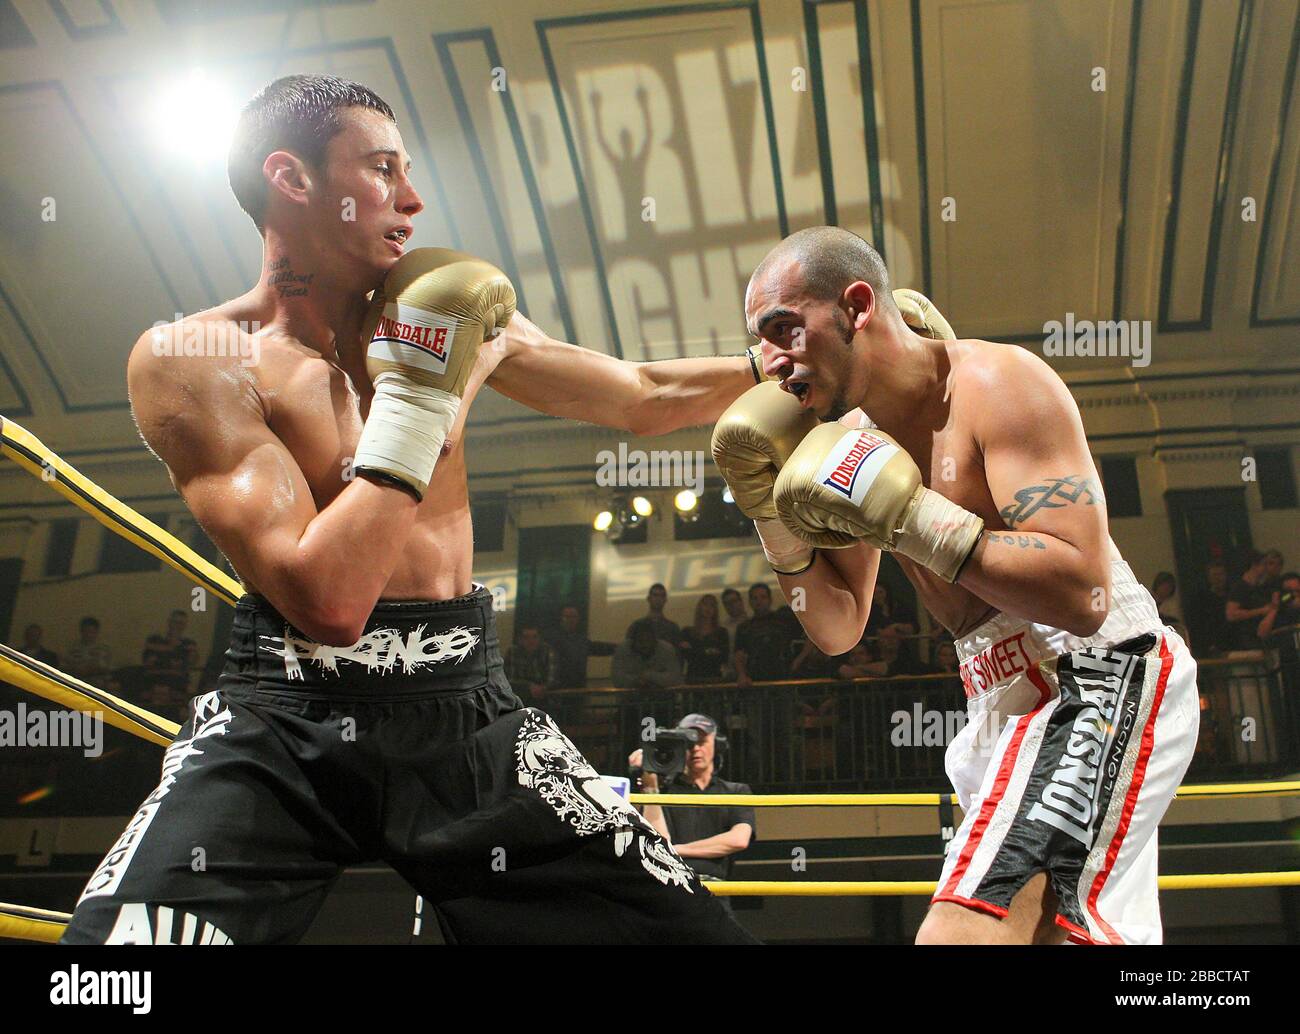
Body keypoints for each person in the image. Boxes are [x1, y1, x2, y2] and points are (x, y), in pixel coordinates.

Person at [61, 74, 758, 945]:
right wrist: (430, 400)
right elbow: (328, 601)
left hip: (465, 708)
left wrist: (796, 365)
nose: (414, 198)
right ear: (293, 177)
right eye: (384, 168)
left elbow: (642, 395)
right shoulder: (197, 358)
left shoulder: (451, 311)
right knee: (107, 976)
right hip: (285, 713)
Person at [713, 225, 1199, 944]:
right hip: (993, 701)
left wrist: (912, 517)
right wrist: (768, 514)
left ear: (856, 306)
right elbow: (839, 626)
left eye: (785, 329)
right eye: (762, 342)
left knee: (962, 933)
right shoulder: (852, 442)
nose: (772, 362)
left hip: (1091, 674)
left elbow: (1084, 595)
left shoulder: (995, 383)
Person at [630, 714, 755, 908]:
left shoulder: (736, 791)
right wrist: (650, 787)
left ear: (717, 744)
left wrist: (676, 850)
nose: (696, 748)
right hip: (672, 887)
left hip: (715, 891)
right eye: (687, 743)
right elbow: (659, 844)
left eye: (702, 741)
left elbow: (739, 839)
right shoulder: (662, 792)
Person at [732, 583, 799, 687]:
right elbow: (738, 654)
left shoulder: (784, 620)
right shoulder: (744, 627)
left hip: (784, 677)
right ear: (750, 602)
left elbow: (812, 634)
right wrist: (742, 675)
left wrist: (799, 661)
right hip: (755, 679)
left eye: (763, 597)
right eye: (755, 598)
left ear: (770, 599)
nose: (759, 601)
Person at [549, 603, 614, 689]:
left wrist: (619, 648)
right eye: (567, 617)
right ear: (561, 618)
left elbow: (596, 648)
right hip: (558, 687)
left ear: (578, 619)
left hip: (579, 685)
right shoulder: (552, 639)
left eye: (574, 617)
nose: (571, 620)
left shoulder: (581, 639)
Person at [141, 609, 200, 697]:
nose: (178, 626)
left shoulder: (189, 643)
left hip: (177, 681)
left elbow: (190, 664)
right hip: (154, 679)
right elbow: (148, 662)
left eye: (181, 623)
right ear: (169, 622)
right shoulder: (155, 640)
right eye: (175, 622)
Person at [612, 619, 683, 690]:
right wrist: (642, 679)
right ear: (632, 640)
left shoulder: (667, 649)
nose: (645, 645)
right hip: (630, 698)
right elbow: (617, 680)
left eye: (648, 640)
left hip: (662, 697)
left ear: (655, 639)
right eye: (641, 641)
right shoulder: (623, 649)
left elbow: (675, 679)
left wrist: (646, 676)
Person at [1226, 552, 1273, 651]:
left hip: (1258, 639)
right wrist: (1261, 611)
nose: (1267, 568)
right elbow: (1231, 614)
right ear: (1254, 565)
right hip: (1245, 641)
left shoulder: (1260, 588)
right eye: (1264, 564)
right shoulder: (1240, 588)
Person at [678, 594, 729, 682]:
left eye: (712, 605)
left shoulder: (721, 633)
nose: (708, 608)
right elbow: (686, 656)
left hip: (715, 679)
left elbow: (723, 657)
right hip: (692, 679)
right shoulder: (687, 632)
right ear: (699, 607)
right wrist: (709, 651)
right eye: (705, 604)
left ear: (715, 610)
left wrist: (694, 650)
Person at [1187, 558, 1233, 657]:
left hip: (1232, 642)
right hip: (1209, 647)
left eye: (1221, 574)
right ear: (1209, 577)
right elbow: (1198, 625)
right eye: (1215, 575)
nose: (1218, 578)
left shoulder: (1233, 597)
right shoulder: (1201, 600)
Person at [503, 623, 555, 703]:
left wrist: (543, 688)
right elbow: (509, 678)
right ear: (520, 639)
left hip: (544, 696)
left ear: (539, 638)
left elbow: (552, 677)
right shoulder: (513, 652)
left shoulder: (547, 651)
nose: (531, 641)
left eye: (535, 637)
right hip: (519, 697)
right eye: (526, 637)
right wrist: (528, 687)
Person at [626, 583, 680, 652]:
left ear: (665, 600)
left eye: (662, 596)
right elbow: (628, 652)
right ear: (649, 598)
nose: (658, 599)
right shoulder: (636, 626)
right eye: (655, 595)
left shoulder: (673, 628)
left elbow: (676, 656)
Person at [64, 616, 113, 683]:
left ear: (96, 632)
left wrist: (91, 670)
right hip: (78, 682)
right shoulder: (73, 648)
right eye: (85, 631)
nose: (88, 635)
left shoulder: (104, 648)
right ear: (81, 631)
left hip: (98, 683)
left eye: (91, 632)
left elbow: (107, 669)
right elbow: (67, 666)